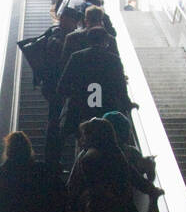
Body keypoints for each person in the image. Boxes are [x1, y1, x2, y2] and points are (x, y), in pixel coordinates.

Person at [53, 26, 134, 169]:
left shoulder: (76, 57)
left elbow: (62, 86)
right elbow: (121, 87)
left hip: (81, 111)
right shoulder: (113, 60)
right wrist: (127, 103)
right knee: (108, 143)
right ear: (106, 42)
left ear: (87, 41)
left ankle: (75, 170)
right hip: (106, 110)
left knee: (83, 141)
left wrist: (75, 94)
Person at [57, 5, 118, 76]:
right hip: (103, 80)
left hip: (79, 80)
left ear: (86, 20)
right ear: (101, 21)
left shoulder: (72, 38)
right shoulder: (109, 39)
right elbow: (116, 63)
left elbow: (64, 64)